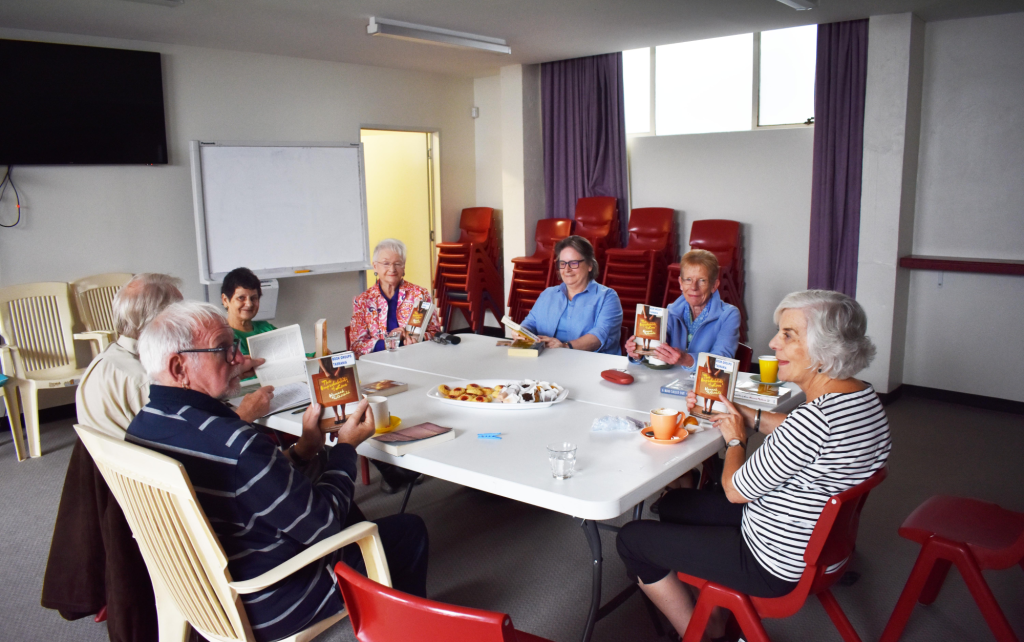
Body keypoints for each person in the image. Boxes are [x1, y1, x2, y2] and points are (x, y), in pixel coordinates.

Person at [128, 301, 428, 642]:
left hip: (197, 585)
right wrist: (345, 448)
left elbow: (246, 487)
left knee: (346, 510)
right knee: (408, 530)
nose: (239, 360)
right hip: (267, 599)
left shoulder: (142, 425)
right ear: (179, 367)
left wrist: (305, 450)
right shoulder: (235, 443)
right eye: (224, 350)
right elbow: (324, 524)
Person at [616, 290, 891, 640]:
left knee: (632, 539)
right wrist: (743, 413)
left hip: (773, 562)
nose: (773, 343)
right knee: (675, 503)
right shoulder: (861, 398)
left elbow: (734, 491)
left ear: (826, 351)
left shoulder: (812, 422)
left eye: (788, 335)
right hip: (810, 538)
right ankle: (708, 598)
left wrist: (736, 438)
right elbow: (803, 432)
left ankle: (704, 632)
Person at [42, 274, 273, 642]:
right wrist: (242, 415)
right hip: (164, 510)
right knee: (266, 455)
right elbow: (196, 442)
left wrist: (226, 368)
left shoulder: (105, 363)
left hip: (125, 494)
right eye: (177, 311)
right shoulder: (145, 382)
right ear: (158, 324)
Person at [626, 249, 739, 369]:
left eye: (702, 280)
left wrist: (687, 360)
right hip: (672, 380)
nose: (693, 287)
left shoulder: (729, 315)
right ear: (680, 283)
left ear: (714, 286)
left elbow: (723, 361)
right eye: (688, 280)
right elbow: (657, 349)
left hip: (709, 385)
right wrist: (639, 353)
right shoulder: (671, 310)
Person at [519, 235, 623, 355]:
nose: (566, 269)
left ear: (590, 265)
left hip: (591, 366)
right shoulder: (548, 294)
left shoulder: (608, 297)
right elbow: (530, 323)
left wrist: (565, 346)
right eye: (562, 263)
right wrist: (522, 332)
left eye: (573, 263)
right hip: (548, 361)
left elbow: (599, 336)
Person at [350, 238, 442, 357]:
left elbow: (436, 333)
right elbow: (356, 346)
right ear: (375, 267)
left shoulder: (419, 294)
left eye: (397, 264)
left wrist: (417, 339)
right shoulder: (363, 301)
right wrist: (391, 342)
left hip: (415, 357)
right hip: (380, 362)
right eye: (386, 263)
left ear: (403, 267)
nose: (392, 269)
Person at [221, 267, 276, 356]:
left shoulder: (267, 328)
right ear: (225, 300)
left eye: (253, 298)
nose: (249, 304)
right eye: (241, 298)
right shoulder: (221, 335)